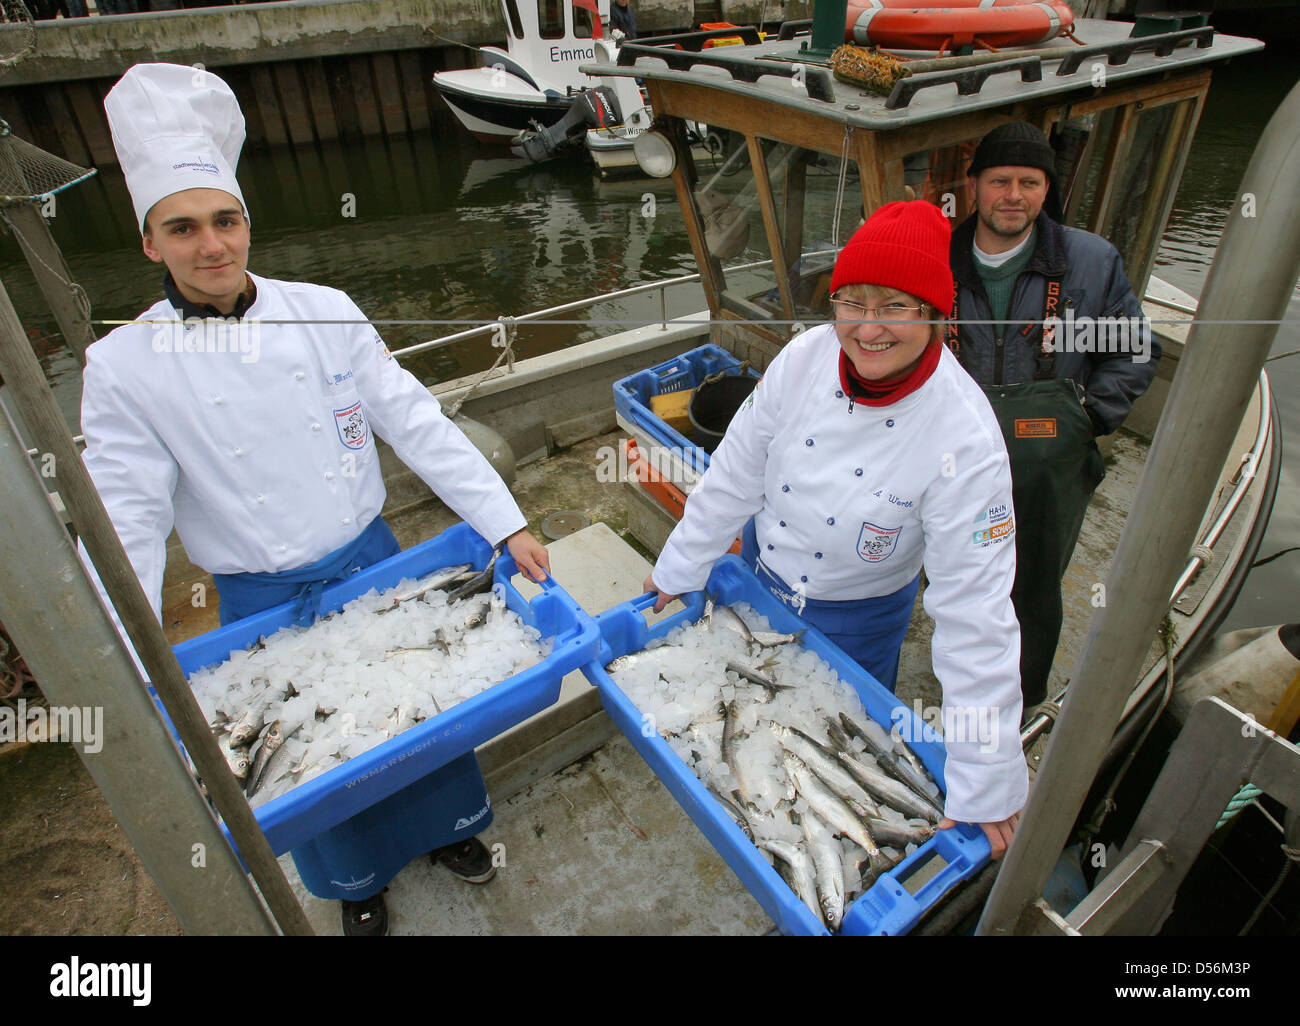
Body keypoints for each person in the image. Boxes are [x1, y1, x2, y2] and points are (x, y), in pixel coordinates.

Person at [84, 63, 551, 936]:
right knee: (310, 755)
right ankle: (357, 883)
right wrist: (126, 654)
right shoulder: (122, 368)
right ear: (149, 242)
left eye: (224, 220)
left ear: (247, 222)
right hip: (262, 601)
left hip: (374, 562)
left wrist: (505, 520)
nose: (211, 245)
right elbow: (128, 520)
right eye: (181, 228)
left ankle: (450, 834)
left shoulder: (325, 308)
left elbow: (415, 421)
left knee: (425, 714)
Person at [643, 202, 1028, 857]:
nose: (868, 327)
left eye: (896, 306)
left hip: (860, 615)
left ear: (939, 314)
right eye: (851, 301)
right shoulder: (803, 360)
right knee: (751, 740)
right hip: (760, 581)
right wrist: (680, 567)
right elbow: (736, 472)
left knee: (834, 746)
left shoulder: (966, 438)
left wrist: (989, 780)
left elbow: (976, 612)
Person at [948, 121, 1159, 711]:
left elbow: (1135, 350)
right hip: (955, 452)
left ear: (1047, 190)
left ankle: (1022, 697)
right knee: (956, 574)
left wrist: (1086, 414)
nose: (1013, 194)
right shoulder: (938, 259)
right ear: (973, 188)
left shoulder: (1092, 262)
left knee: (1035, 583)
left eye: (1029, 181)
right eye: (999, 180)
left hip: (1052, 460)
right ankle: (959, 691)